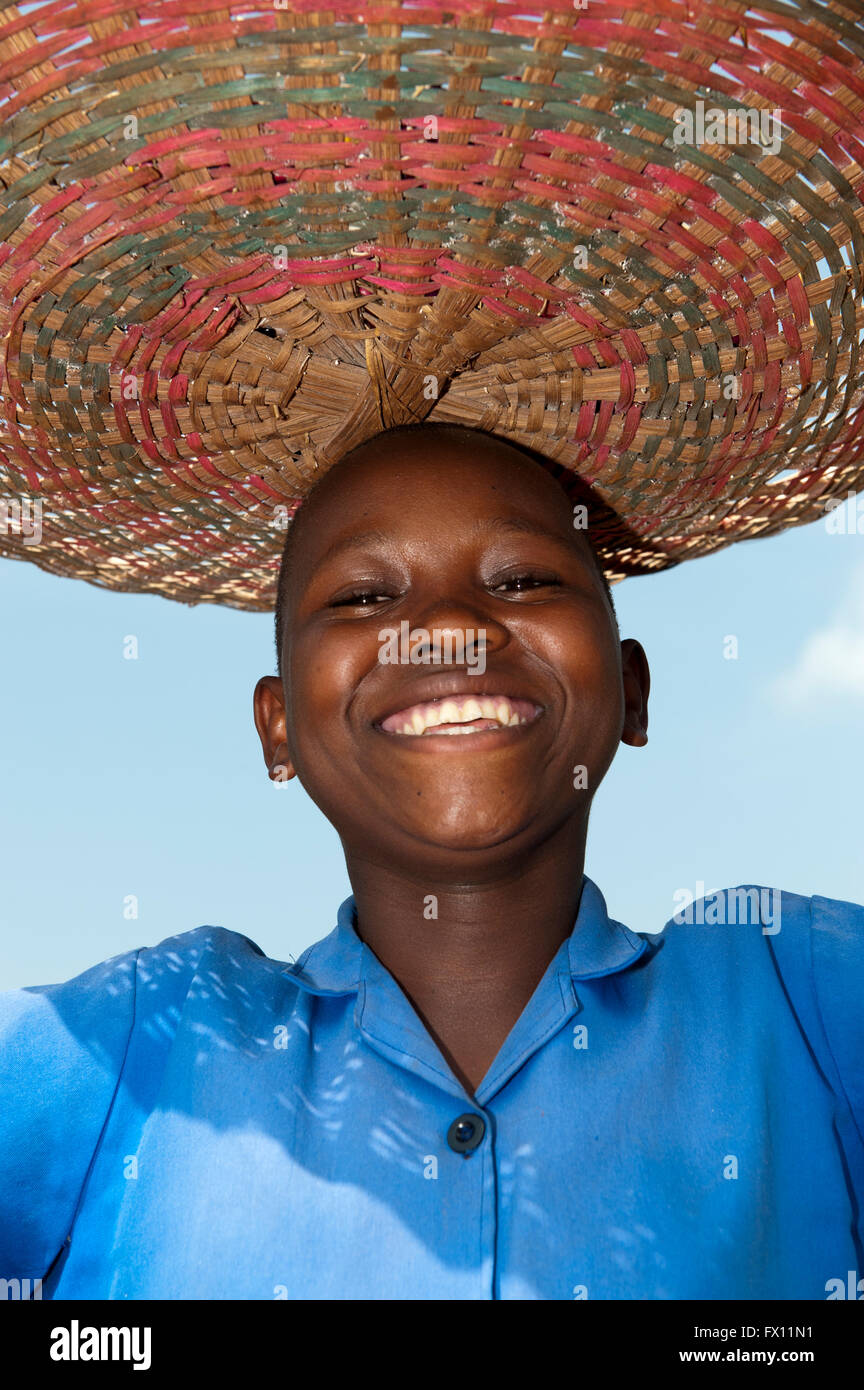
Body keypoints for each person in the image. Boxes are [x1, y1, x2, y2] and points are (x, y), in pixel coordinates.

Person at [1, 422, 861, 1300]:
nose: (448, 628)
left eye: (523, 581)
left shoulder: (799, 993)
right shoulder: (146, 1034)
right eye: (363, 598)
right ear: (280, 728)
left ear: (633, 690)